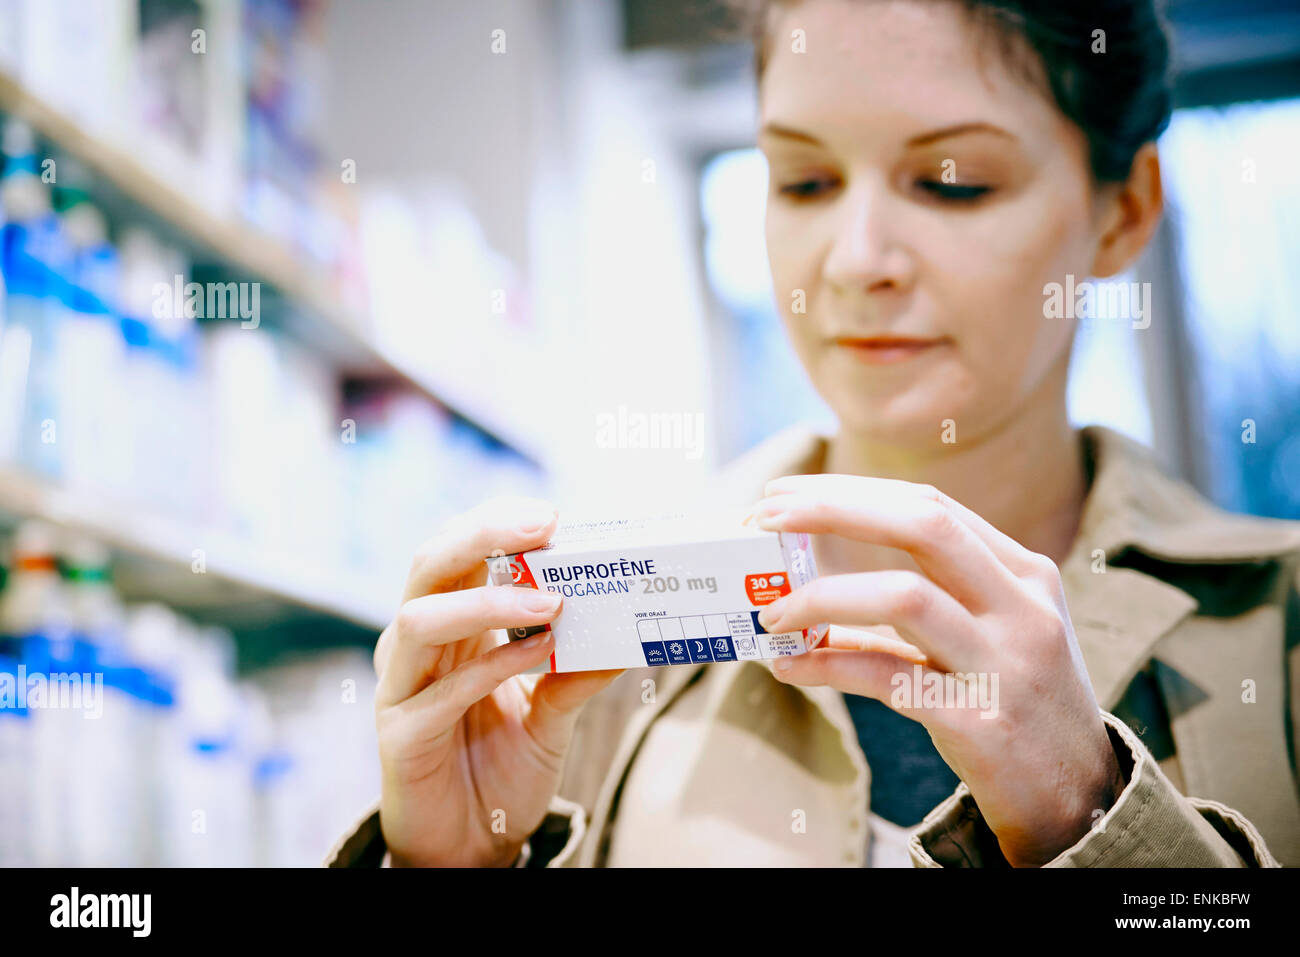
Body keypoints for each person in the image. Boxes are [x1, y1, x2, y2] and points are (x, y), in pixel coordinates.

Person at [327, 0, 1300, 867]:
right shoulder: (599, 649)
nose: (855, 260)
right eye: (802, 181)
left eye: (952, 183)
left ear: (1122, 211)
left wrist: (1091, 820)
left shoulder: (1277, 626)